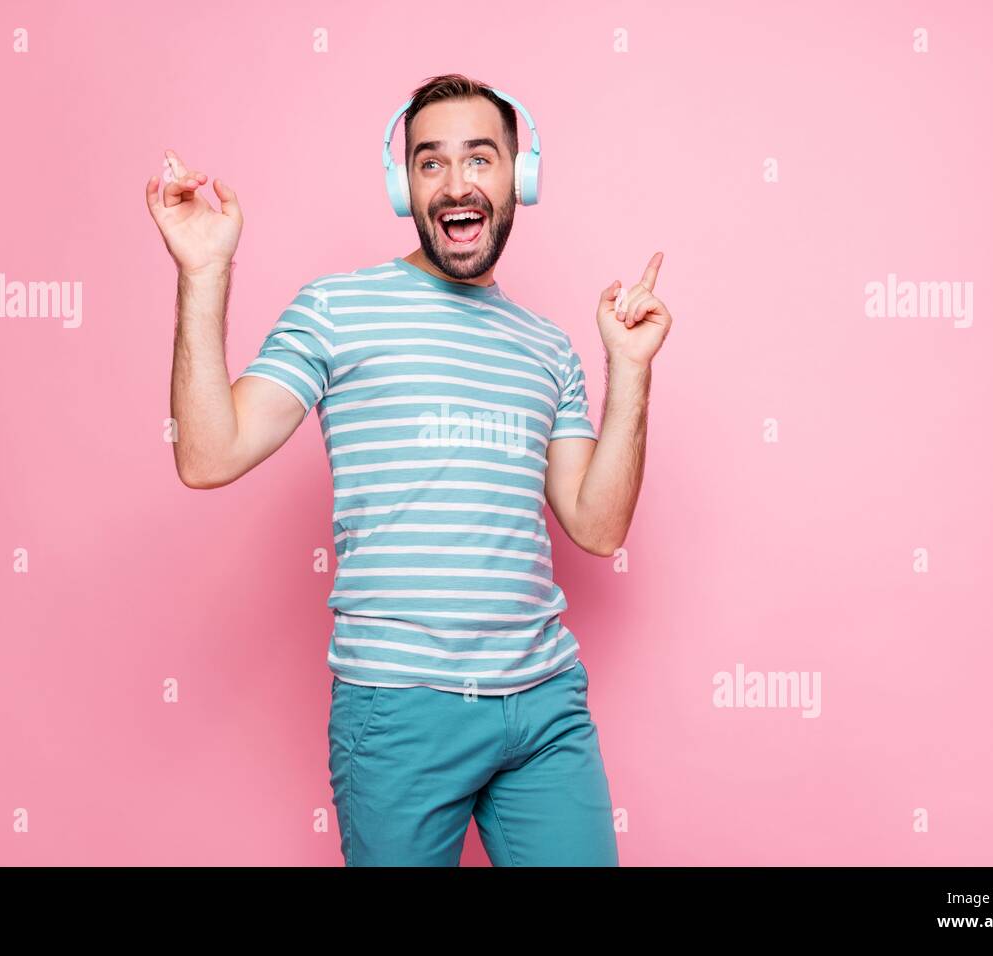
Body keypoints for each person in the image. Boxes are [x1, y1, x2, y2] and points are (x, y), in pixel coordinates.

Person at [144, 73, 673, 866]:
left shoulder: (549, 349)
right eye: (430, 163)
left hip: (546, 709)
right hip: (399, 710)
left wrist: (627, 370)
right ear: (405, 187)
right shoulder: (336, 310)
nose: (457, 183)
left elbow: (597, 528)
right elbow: (207, 455)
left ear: (518, 178)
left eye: (480, 159)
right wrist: (204, 273)